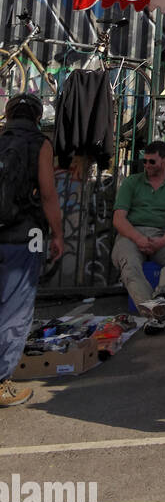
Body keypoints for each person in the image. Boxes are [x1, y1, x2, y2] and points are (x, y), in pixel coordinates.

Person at [0, 93, 64, 408]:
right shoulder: (40, 143)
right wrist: (58, 234)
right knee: (16, 309)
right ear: (38, 117)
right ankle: (1, 383)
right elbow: (49, 196)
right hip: (27, 235)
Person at [112, 142, 165, 332]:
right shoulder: (131, 182)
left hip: (161, 234)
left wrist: (161, 242)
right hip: (131, 233)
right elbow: (119, 219)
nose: (147, 165)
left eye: (152, 161)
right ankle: (156, 315)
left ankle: (161, 297)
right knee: (129, 263)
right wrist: (138, 238)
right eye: (144, 161)